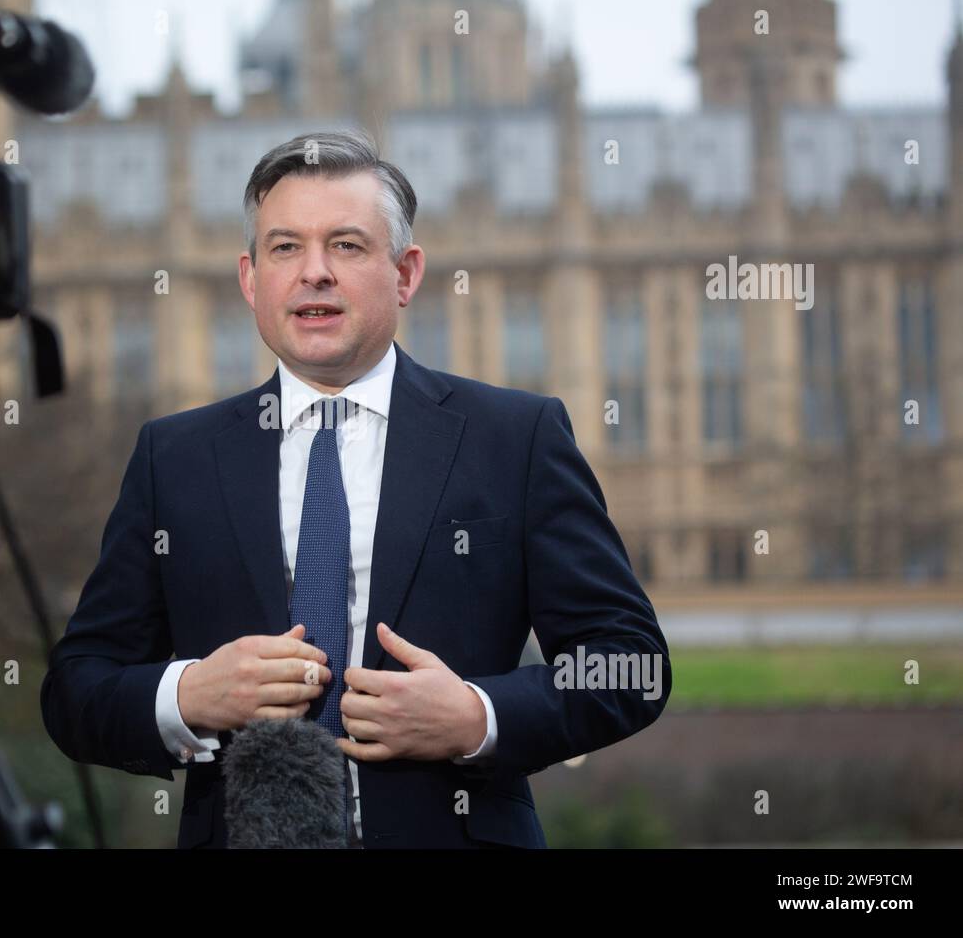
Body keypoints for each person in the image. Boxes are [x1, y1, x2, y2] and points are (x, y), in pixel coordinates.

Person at [41, 128, 671, 848]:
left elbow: (631, 663)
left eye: (346, 245)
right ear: (251, 280)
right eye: (285, 248)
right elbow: (75, 692)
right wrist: (189, 695)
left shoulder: (512, 439)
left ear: (405, 274)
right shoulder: (174, 456)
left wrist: (475, 714)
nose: (314, 273)